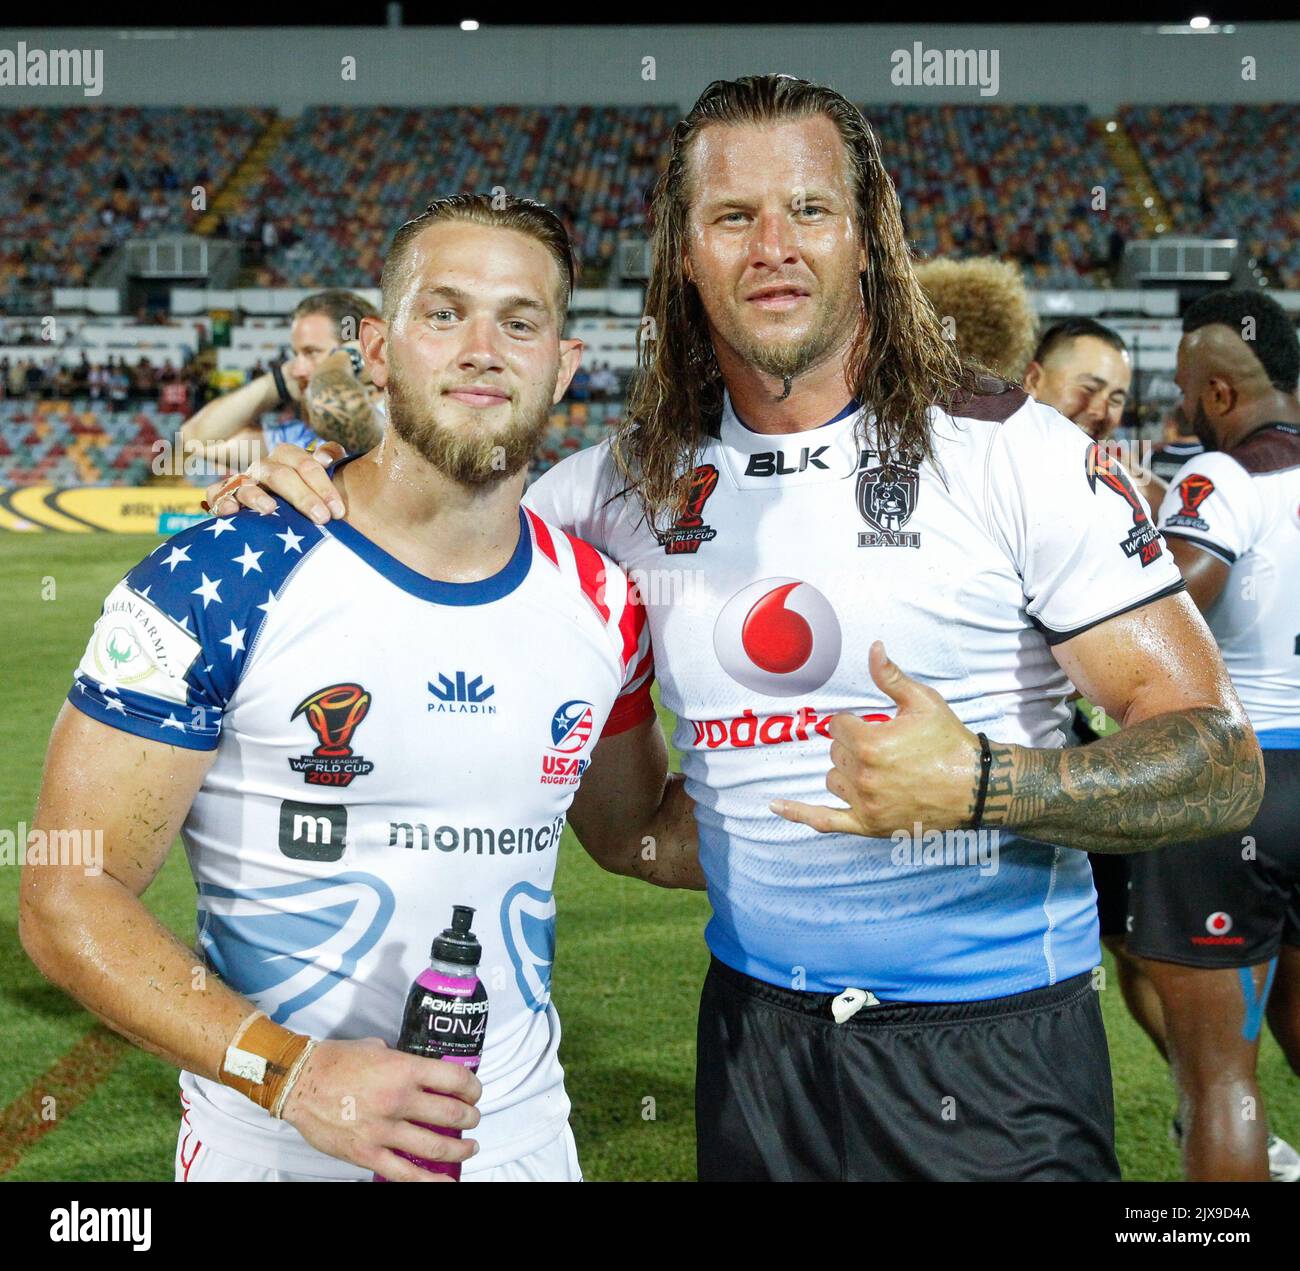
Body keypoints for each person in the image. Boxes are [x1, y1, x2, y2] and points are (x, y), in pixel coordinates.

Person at [206, 75, 1263, 1182]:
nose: (774, 247)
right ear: (684, 255)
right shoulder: (608, 493)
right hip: (756, 1049)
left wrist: (989, 785)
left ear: (866, 236)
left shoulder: (1016, 454)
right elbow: (424, 520)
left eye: (809, 209)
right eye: (730, 217)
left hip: (996, 1054)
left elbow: (1220, 760)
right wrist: (302, 480)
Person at [21, 194, 700, 1185]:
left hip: (519, 1142)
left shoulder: (602, 600)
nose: (481, 347)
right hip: (273, 1147)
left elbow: (630, 827)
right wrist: (292, 1075)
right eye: (443, 313)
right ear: (377, 350)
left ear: (563, 361)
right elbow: (65, 891)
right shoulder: (225, 575)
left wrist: (889, 836)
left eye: (518, 320)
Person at [1132, 289, 1300, 1182]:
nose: (1177, 406)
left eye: (1184, 388)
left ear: (1222, 395)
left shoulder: (1222, 477)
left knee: (1219, 1078)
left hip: (1239, 778)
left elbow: (1179, 595)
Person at [1023, 315, 1172, 1071]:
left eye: (1117, 397)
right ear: (1032, 380)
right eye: (1089, 388)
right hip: (977, 770)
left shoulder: (1110, 491)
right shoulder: (965, 484)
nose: (1105, 409)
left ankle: (1198, 1093)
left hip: (1066, 754)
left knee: (1132, 941)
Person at [176, 290, 386, 474]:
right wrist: (279, 381)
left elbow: (356, 428)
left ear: (362, 346)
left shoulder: (401, 419)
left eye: (311, 352)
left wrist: (350, 359)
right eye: (295, 354)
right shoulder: (300, 438)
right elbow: (194, 438)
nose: (297, 368)